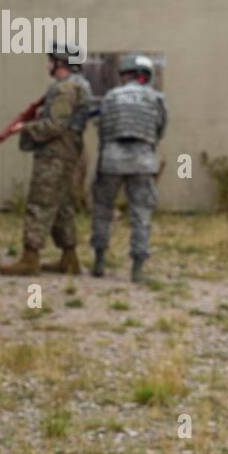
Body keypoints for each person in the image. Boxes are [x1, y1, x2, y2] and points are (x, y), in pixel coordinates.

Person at [0, 43, 94, 276]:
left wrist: (25, 127)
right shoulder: (79, 86)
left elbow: (54, 125)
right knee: (61, 206)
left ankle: (30, 258)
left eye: (51, 60)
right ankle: (69, 258)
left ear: (60, 63)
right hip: (67, 153)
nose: (48, 64)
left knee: (39, 204)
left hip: (55, 155)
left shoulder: (64, 89)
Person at [90, 53, 167, 283]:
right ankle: (138, 268)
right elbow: (160, 130)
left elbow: (102, 130)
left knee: (103, 210)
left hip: (111, 159)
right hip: (143, 159)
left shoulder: (111, 97)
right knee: (141, 214)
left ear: (124, 74)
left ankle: (99, 261)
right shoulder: (156, 98)